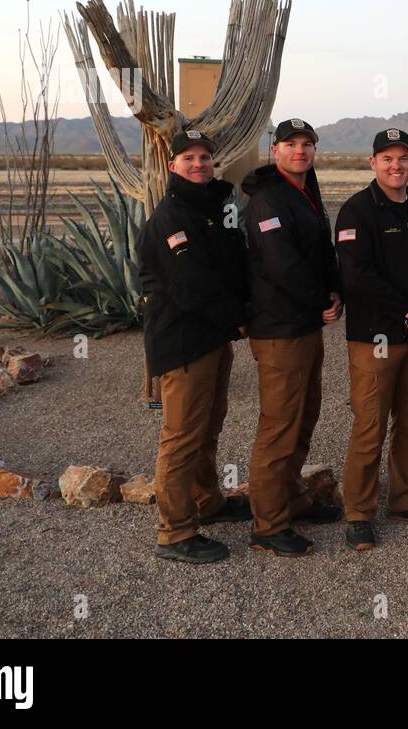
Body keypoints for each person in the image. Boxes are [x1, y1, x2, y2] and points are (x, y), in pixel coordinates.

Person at [137, 126, 250, 565]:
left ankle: (208, 503)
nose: (199, 164)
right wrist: (240, 319)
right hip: (183, 343)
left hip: (213, 338)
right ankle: (175, 531)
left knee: (208, 429)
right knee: (181, 438)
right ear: (173, 165)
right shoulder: (170, 218)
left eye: (205, 157)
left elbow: (230, 266)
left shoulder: (210, 208)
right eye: (190, 158)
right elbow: (191, 288)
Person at [336, 128, 408, 550]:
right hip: (375, 339)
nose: (395, 166)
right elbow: (356, 277)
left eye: (403, 158)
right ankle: (359, 512)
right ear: (373, 163)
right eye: (387, 158)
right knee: (370, 425)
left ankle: (404, 498)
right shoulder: (356, 211)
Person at [241, 117, 344, 557]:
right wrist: (320, 297)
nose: (300, 150)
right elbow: (282, 264)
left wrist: (335, 290)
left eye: (307, 144)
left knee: (304, 417)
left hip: (304, 326)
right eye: (291, 144)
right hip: (280, 329)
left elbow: (320, 252)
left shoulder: (304, 191)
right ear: (275, 149)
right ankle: (268, 523)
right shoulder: (267, 199)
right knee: (279, 426)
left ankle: (292, 500)